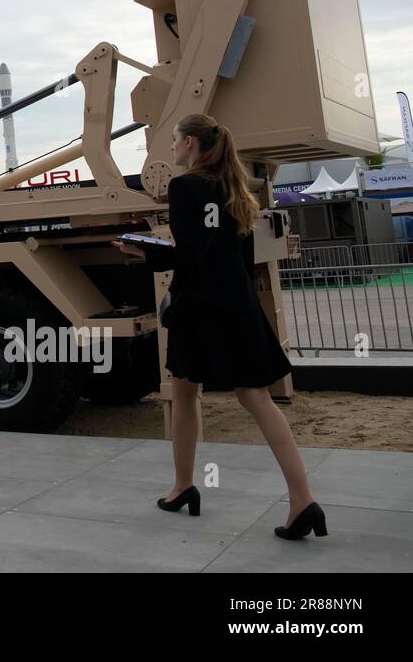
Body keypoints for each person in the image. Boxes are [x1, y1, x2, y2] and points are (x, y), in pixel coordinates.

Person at [113, 113, 325, 541]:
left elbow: (189, 254)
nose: (170, 148)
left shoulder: (183, 186)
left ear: (190, 143)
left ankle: (186, 486)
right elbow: (229, 256)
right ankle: (298, 498)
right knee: (254, 398)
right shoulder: (234, 188)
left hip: (200, 309)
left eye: (173, 140)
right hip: (238, 306)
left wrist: (142, 252)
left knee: (186, 393)